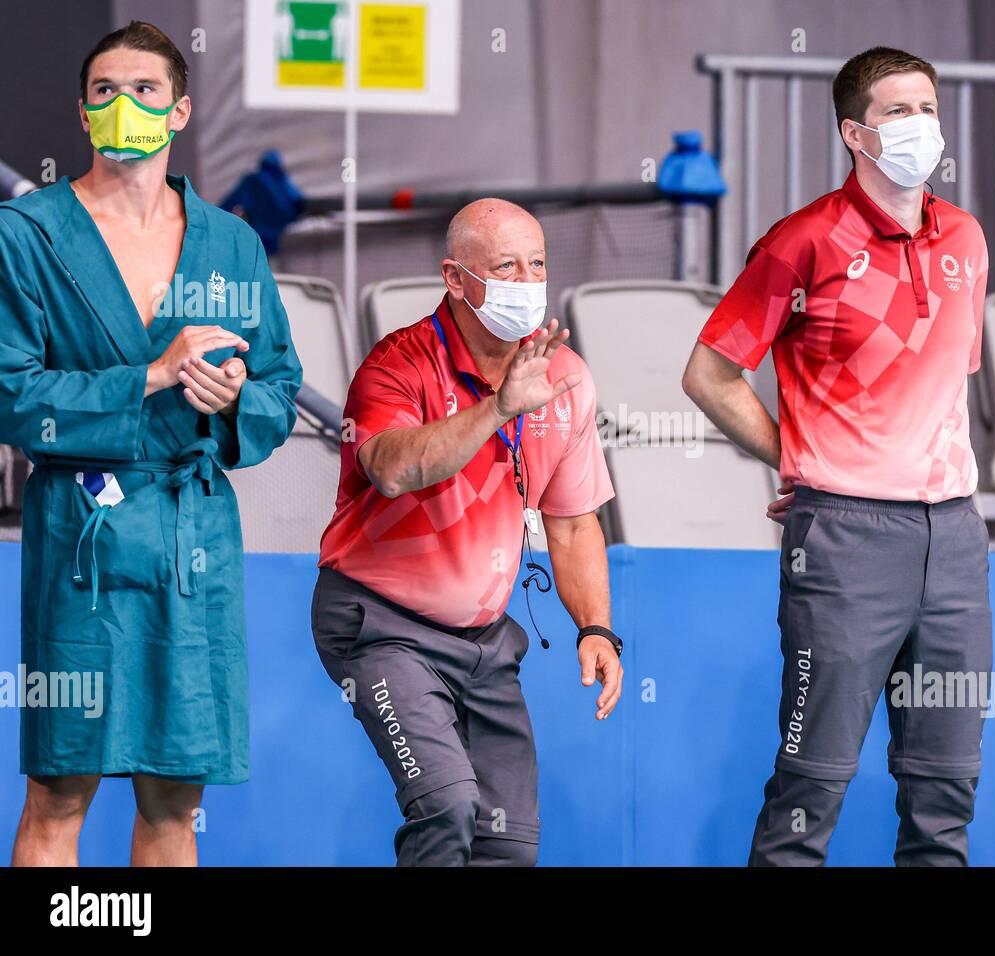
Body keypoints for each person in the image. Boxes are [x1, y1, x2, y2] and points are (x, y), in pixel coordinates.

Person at [1, 21, 302, 866]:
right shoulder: (27, 235)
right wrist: (149, 378)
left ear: (179, 112)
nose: (121, 105)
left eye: (142, 91)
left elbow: (279, 392)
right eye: (103, 92)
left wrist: (236, 398)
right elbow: (9, 393)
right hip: (79, 534)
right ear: (82, 114)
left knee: (174, 796)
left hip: (190, 533)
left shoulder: (232, 244)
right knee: (59, 789)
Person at [684, 46, 992, 866]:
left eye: (928, 107)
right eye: (899, 112)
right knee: (811, 786)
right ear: (856, 133)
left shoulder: (965, 235)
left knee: (946, 792)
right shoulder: (803, 242)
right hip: (847, 541)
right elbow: (708, 375)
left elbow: (952, 383)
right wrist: (799, 459)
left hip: (956, 540)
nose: (920, 125)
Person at [311, 198, 623, 866]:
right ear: (455, 278)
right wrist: (499, 407)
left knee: (507, 844)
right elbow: (394, 469)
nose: (528, 280)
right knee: (448, 805)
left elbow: (571, 525)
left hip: (484, 642)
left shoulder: (564, 377)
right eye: (506, 265)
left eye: (538, 263)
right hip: (381, 625)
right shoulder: (397, 363)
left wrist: (596, 627)